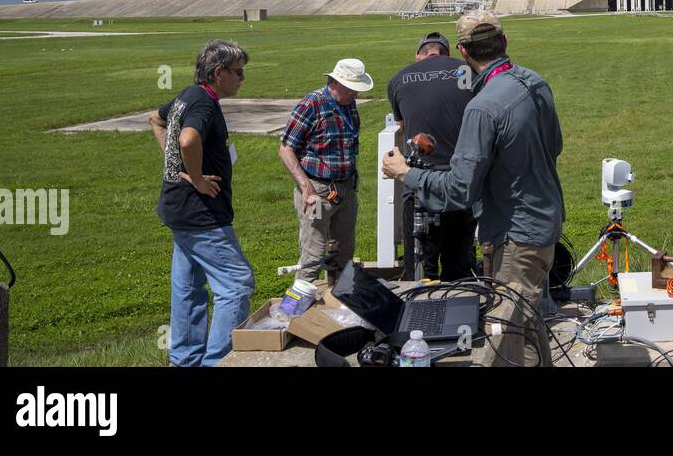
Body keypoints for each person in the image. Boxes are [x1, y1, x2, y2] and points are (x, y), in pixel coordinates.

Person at [383, 10, 564, 367]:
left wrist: (406, 173)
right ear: (505, 41)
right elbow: (553, 145)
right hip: (545, 222)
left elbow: (459, 190)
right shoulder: (535, 82)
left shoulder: (482, 108)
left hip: (516, 237)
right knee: (527, 321)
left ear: (464, 52)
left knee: (504, 330)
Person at [148, 39, 256, 367]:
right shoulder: (204, 104)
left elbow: (156, 119)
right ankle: (217, 362)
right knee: (237, 283)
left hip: (178, 210)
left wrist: (174, 165)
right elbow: (187, 139)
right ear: (218, 73)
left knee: (189, 287)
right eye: (238, 72)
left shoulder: (188, 94)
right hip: (201, 213)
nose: (242, 78)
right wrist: (194, 176)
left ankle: (183, 361)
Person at [386, 31, 476, 281]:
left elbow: (403, 126)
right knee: (458, 262)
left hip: (417, 181)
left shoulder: (397, 80)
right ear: (447, 54)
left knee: (420, 265)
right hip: (459, 180)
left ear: (419, 56)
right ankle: (459, 309)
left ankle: (421, 313)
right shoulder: (467, 71)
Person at [279, 58, 374, 286]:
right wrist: (306, 187)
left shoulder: (349, 104)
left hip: (346, 189)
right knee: (313, 255)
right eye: (352, 89)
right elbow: (285, 149)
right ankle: (296, 313)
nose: (356, 95)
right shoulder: (311, 105)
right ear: (335, 83)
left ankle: (340, 308)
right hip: (318, 191)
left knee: (344, 253)